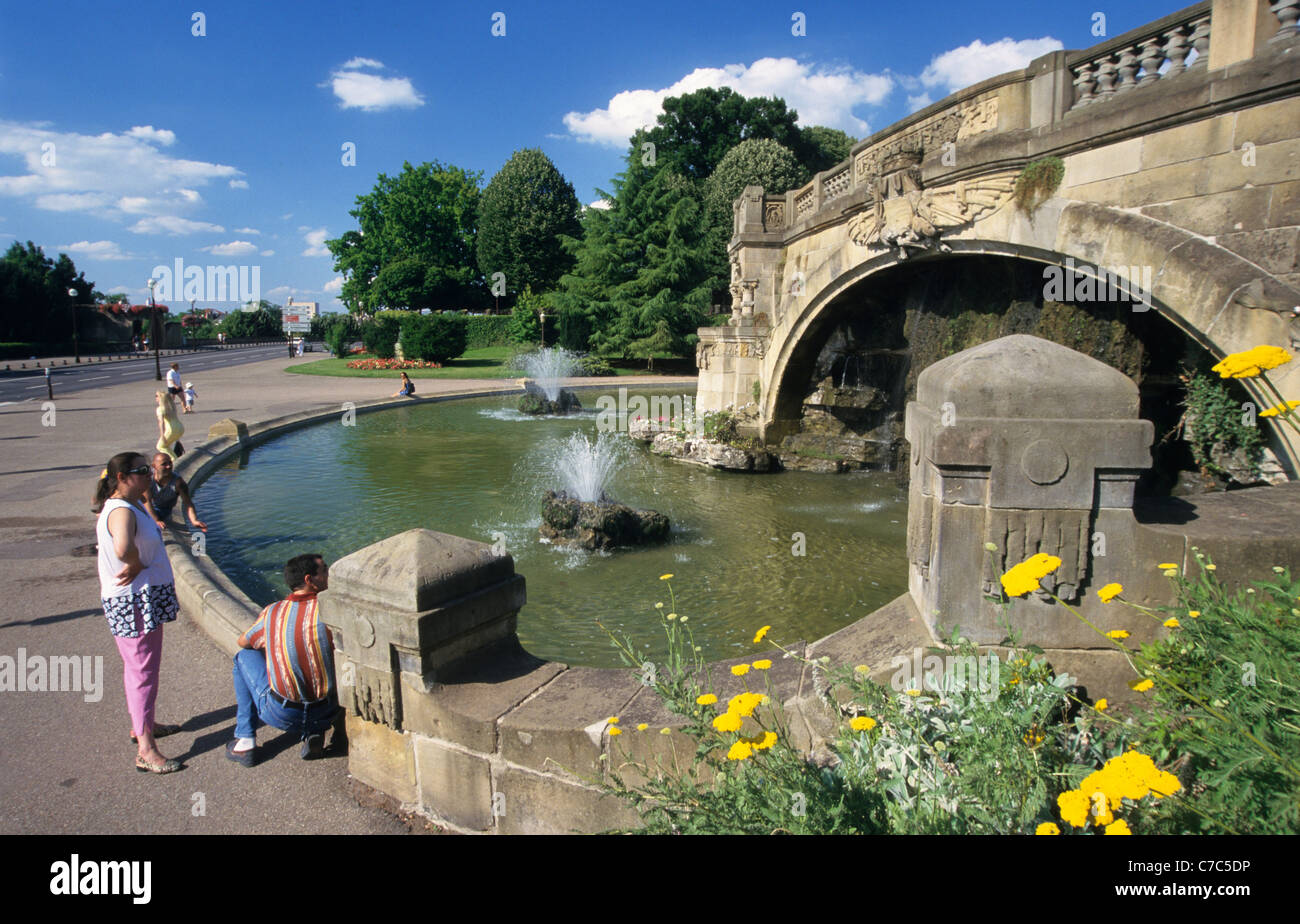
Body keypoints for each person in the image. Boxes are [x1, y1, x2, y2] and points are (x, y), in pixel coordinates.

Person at [93, 452, 183, 774]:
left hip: (139, 599)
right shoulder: (120, 510)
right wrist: (134, 562)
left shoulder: (127, 505)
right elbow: (121, 547)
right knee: (142, 672)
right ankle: (146, 750)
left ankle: (142, 724)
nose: (149, 475)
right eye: (142, 471)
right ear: (121, 478)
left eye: (148, 469)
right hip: (135, 602)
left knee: (140, 669)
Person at [227, 554, 340, 766]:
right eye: (324, 570)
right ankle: (314, 730)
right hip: (329, 710)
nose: (329, 574)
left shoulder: (273, 612)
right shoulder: (332, 611)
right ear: (309, 580)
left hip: (282, 714)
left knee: (243, 657)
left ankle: (245, 741)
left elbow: (243, 642)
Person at [140, 452, 207, 532]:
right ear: (154, 466)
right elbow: (146, 502)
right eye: (164, 464)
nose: (169, 466)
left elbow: (188, 503)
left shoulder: (178, 483)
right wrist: (156, 520)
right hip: (145, 508)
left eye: (170, 463)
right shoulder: (148, 479)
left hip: (163, 510)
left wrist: (194, 520)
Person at [155, 390, 184, 460]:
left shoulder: (160, 409)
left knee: (160, 446)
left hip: (171, 429)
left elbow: (161, 423)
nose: (155, 398)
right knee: (166, 446)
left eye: (156, 396)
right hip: (180, 428)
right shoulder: (171, 407)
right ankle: (174, 458)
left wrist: (162, 435)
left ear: (160, 398)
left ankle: (174, 459)